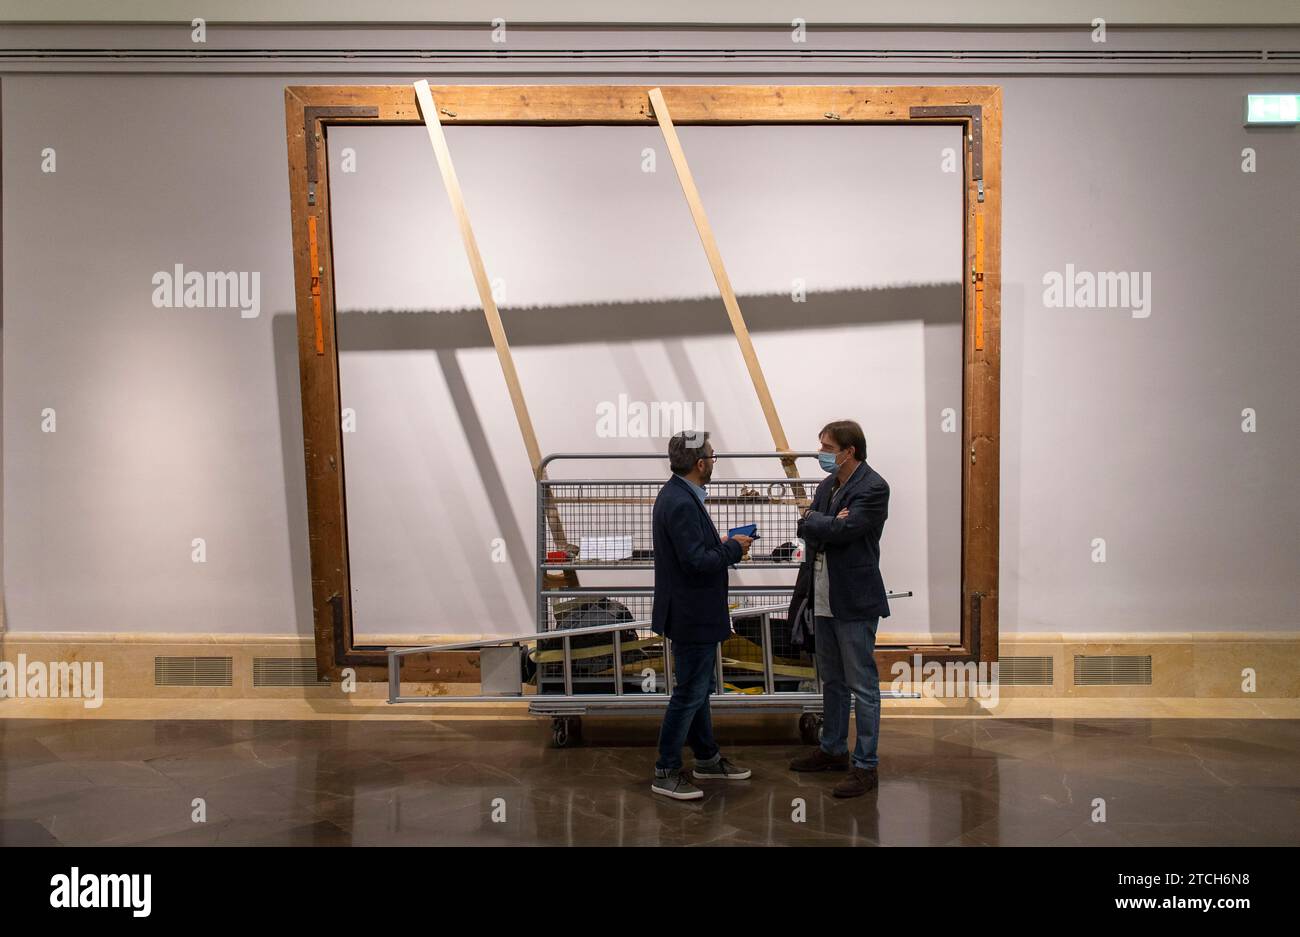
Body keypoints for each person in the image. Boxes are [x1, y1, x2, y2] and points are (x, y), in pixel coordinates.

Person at [649, 430, 754, 800]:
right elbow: (696, 562)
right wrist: (732, 549)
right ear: (700, 463)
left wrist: (721, 546)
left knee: (698, 692)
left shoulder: (679, 496)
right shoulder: (679, 502)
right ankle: (665, 769)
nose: (713, 460)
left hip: (694, 612)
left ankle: (707, 758)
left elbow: (692, 553)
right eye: (712, 455)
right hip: (692, 614)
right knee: (689, 693)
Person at [788, 420, 891, 797]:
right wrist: (823, 522)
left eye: (827, 448)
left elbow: (846, 532)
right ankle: (832, 748)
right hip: (823, 597)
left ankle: (866, 766)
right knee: (831, 680)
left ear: (849, 452)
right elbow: (810, 527)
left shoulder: (873, 487)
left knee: (862, 685)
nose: (821, 454)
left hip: (854, 599)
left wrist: (819, 522)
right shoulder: (826, 486)